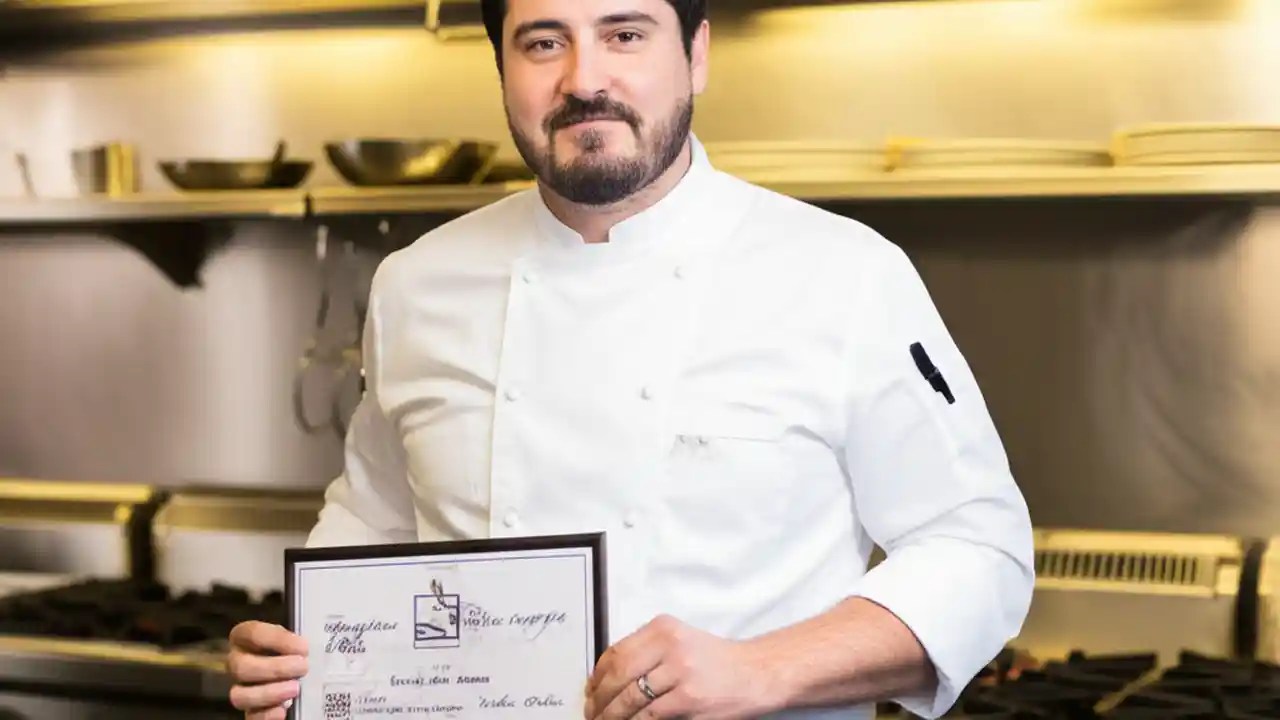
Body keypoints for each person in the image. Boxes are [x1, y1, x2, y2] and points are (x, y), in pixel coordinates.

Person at [226, 0, 1035, 717]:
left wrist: (762, 672)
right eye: (543, 43)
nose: (585, 79)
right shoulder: (417, 284)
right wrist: (306, 662)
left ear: (697, 54)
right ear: (502, 69)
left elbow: (975, 548)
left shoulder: (843, 274)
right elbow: (377, 521)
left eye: (624, 34)